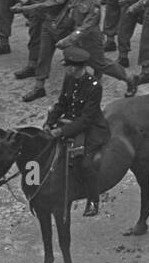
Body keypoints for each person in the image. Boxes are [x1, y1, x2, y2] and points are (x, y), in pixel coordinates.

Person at [45, 46, 110, 217]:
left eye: (67, 66)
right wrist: (50, 122)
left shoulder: (94, 86)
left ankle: (93, 200)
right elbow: (62, 103)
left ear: (74, 67)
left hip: (90, 128)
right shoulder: (69, 79)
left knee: (85, 163)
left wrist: (61, 131)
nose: (65, 68)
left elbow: (86, 119)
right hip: (69, 122)